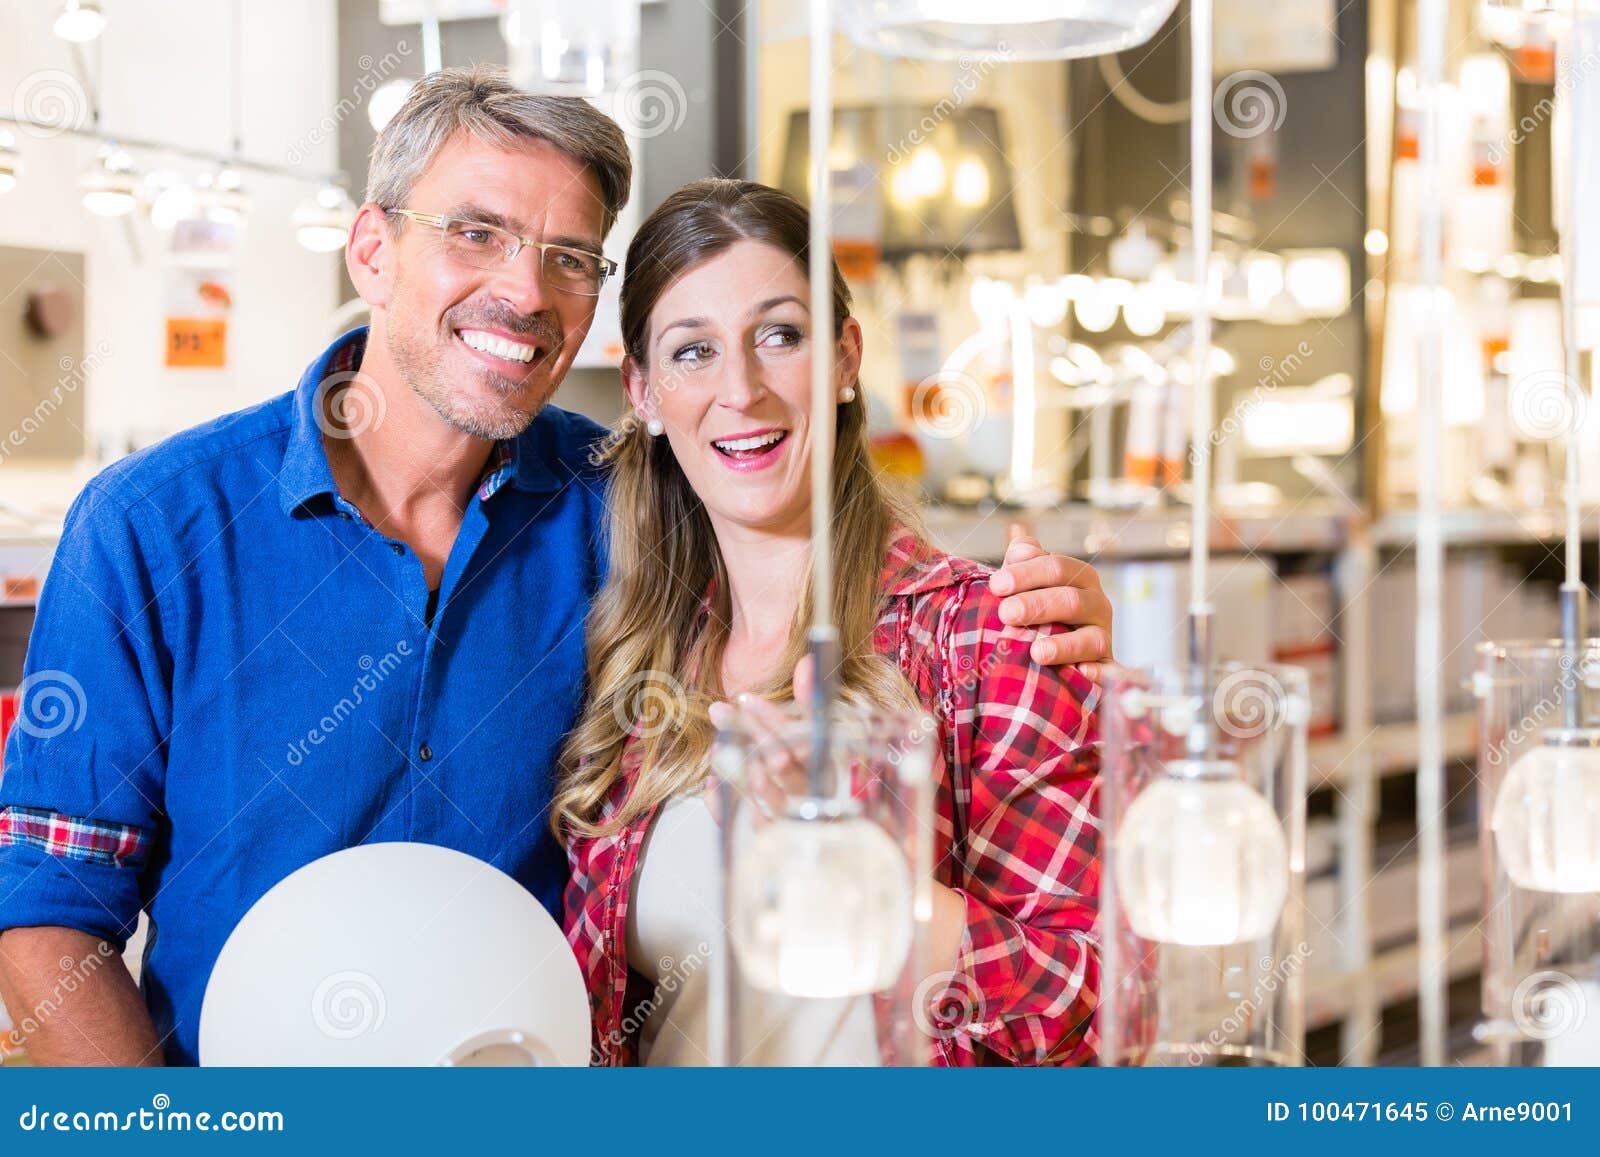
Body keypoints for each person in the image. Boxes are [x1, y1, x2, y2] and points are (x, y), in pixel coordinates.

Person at [0, 67, 1112, 1067]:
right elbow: (49, 902)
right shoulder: (154, 526)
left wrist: (1038, 615)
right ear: (372, 250)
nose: (527, 292)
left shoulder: (617, 512)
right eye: (476, 232)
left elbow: (799, 525)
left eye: (570, 257)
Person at [559, 179, 1102, 1067]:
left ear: (846, 358)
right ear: (644, 392)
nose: (741, 390)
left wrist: (879, 883)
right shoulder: (630, 657)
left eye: (780, 335)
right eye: (693, 351)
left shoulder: (986, 637)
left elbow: (1090, 1005)